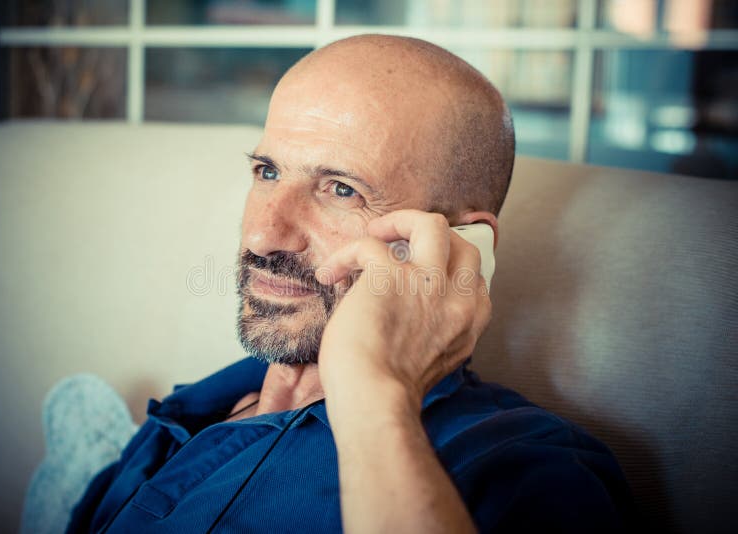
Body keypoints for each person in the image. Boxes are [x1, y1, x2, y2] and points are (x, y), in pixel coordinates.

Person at [67, 35, 632, 533]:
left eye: (342, 189)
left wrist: (375, 394)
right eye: (267, 172)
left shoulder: (524, 463)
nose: (263, 236)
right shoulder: (191, 409)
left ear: (459, 245)